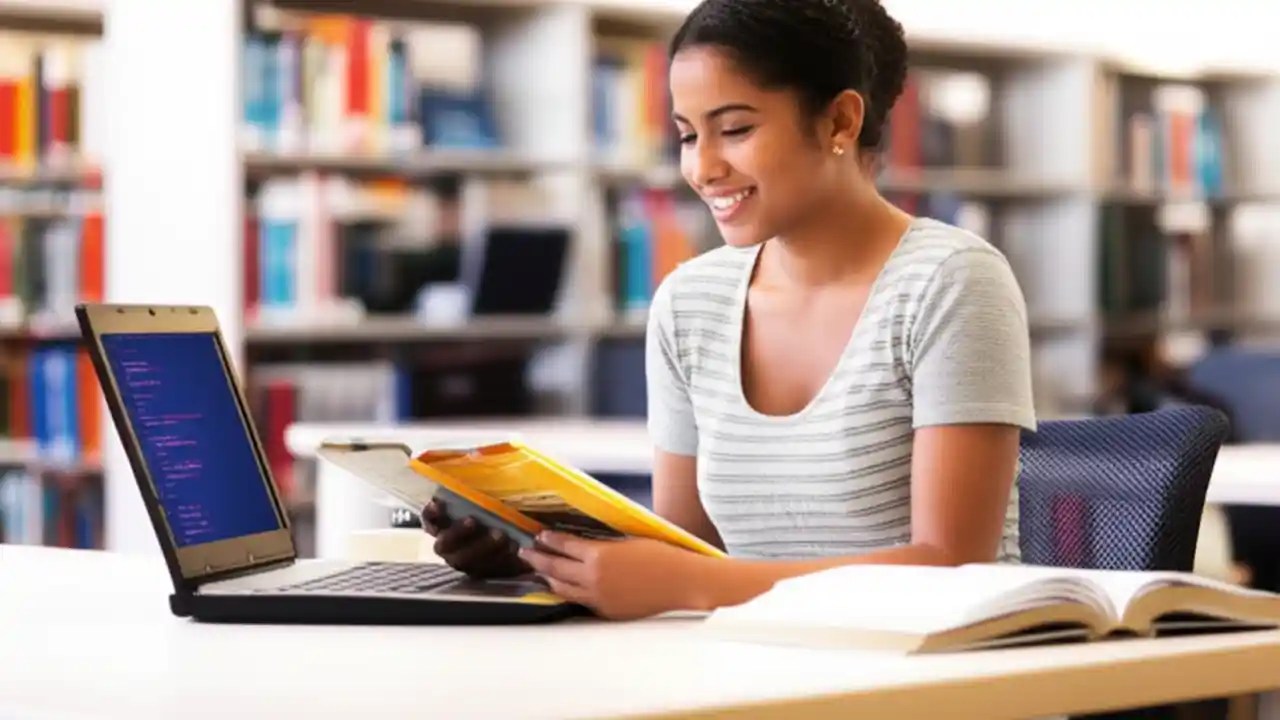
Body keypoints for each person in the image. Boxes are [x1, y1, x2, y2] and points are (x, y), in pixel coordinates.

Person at [421, 0, 1037, 620]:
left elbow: (950, 564)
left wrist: (693, 585)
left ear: (839, 122)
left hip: (940, 680)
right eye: (688, 135)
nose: (703, 167)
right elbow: (684, 551)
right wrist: (533, 557)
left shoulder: (951, 282)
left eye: (736, 129)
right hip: (752, 672)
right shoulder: (689, 304)